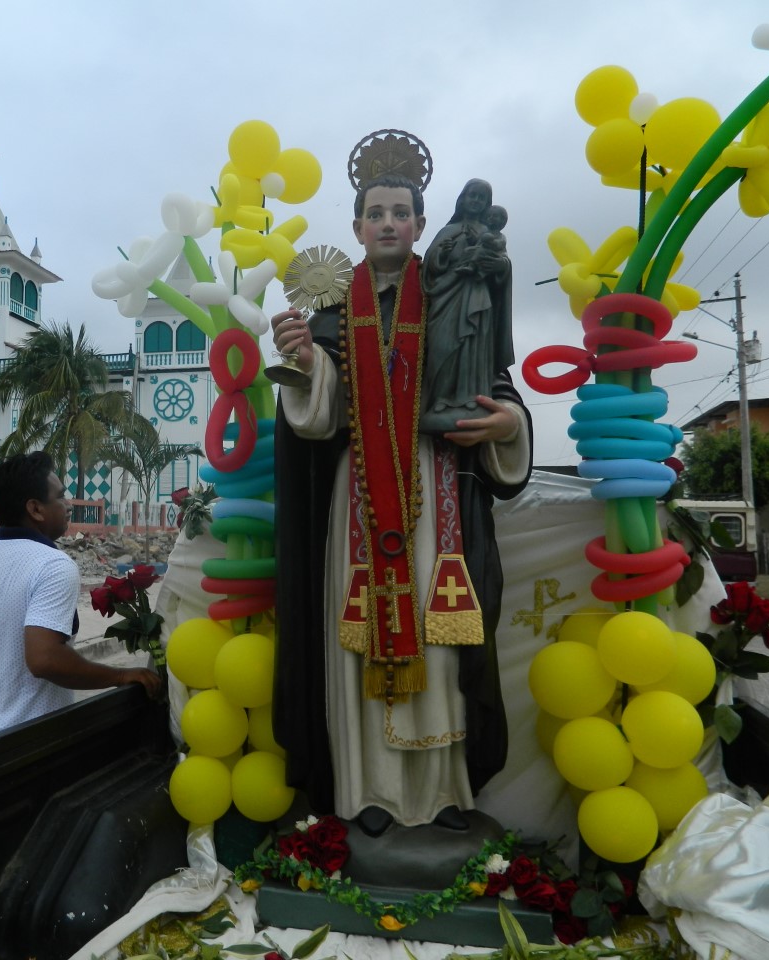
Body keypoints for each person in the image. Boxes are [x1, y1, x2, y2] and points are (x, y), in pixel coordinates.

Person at [270, 171, 532, 833]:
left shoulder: (455, 292)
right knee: (357, 645)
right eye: (375, 213)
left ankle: (442, 795)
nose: (388, 223)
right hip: (357, 500)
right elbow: (317, 421)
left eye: (401, 213)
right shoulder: (332, 314)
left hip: (438, 497)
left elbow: (496, 383)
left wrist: (509, 426)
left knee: (440, 645)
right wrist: (305, 364)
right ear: (357, 228)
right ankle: (370, 796)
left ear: (420, 224)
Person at [0, 451, 162, 746]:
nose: (68, 504)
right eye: (60, 497)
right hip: (29, 747)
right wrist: (120, 676)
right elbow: (45, 659)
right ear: (36, 509)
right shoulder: (52, 564)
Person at [419, 179, 515, 436]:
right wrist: (442, 254)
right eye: (472, 195)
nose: (475, 201)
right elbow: (429, 270)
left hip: (477, 298)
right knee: (443, 349)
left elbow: (503, 264)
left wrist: (499, 267)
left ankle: (471, 398)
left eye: (481, 198)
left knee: (472, 348)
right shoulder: (447, 231)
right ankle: (441, 399)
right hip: (446, 299)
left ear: (487, 205)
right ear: (462, 198)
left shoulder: (491, 232)